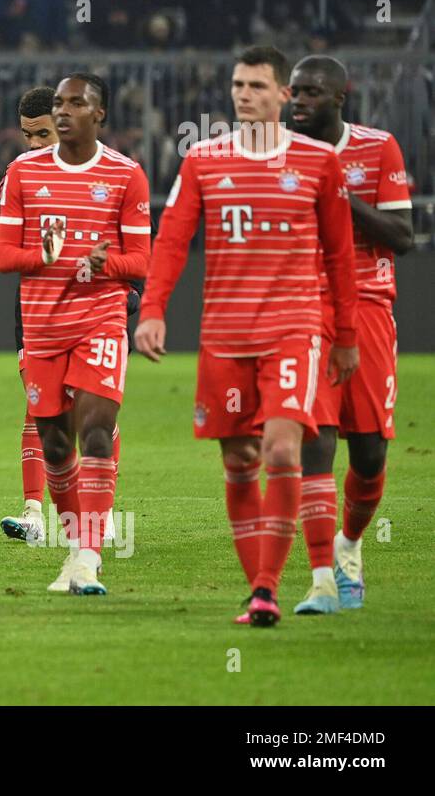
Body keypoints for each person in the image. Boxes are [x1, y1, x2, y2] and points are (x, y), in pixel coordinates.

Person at [135, 46, 359, 627]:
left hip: (294, 328)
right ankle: (260, 585)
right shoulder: (203, 161)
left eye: (258, 85)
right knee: (239, 461)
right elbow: (173, 238)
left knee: (282, 448)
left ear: (283, 95)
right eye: (238, 84)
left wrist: (345, 333)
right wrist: (153, 309)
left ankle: (265, 590)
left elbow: (339, 255)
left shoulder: (317, 162)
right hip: (224, 335)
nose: (244, 94)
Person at [0, 75, 150, 595]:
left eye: (75, 103)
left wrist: (106, 265)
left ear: (99, 113)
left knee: (97, 429)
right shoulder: (23, 173)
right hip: (41, 325)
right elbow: (2, 257)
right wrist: (48, 256)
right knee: (56, 445)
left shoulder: (126, 175)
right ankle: (73, 540)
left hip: (100, 318)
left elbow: (141, 262)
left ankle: (86, 557)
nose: (63, 112)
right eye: (58, 103)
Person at [287, 55, 413, 614]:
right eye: (295, 91)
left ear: (340, 97)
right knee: (317, 439)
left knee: (369, 452)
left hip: (365, 308)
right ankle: (321, 578)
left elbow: (403, 235)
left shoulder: (378, 147)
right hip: (303, 308)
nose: (299, 101)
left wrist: (340, 196)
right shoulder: (279, 155)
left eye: (312, 92)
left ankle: (350, 546)